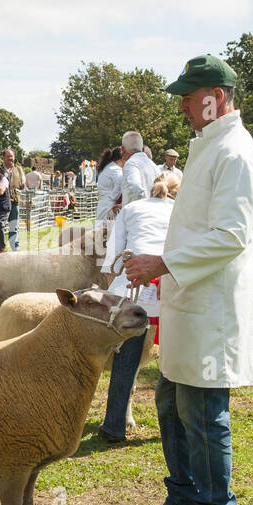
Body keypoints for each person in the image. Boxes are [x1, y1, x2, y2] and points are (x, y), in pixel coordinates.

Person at [124, 53, 253, 505]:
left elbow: (230, 236)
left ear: (216, 97)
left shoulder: (235, 152)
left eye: (187, 96)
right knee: (171, 404)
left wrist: (162, 262)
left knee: (204, 416)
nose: (181, 106)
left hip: (211, 308)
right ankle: (184, 501)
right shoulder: (209, 145)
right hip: (190, 303)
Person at [98, 172, 178, 443]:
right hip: (172, 285)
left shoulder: (130, 209)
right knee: (177, 355)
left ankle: (114, 424)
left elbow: (114, 254)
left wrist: (114, 292)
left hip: (134, 286)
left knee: (126, 357)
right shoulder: (180, 209)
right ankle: (177, 422)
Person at [121, 133, 158, 208]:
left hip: (137, 215)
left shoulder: (131, 164)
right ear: (143, 149)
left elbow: (136, 188)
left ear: (123, 149)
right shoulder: (154, 166)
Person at [2, 147, 25, 250]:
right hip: (1, 203)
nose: (10, 158)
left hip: (15, 202)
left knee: (14, 226)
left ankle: (14, 248)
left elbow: (23, 185)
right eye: (8, 156)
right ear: (3, 158)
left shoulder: (19, 169)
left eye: (12, 156)